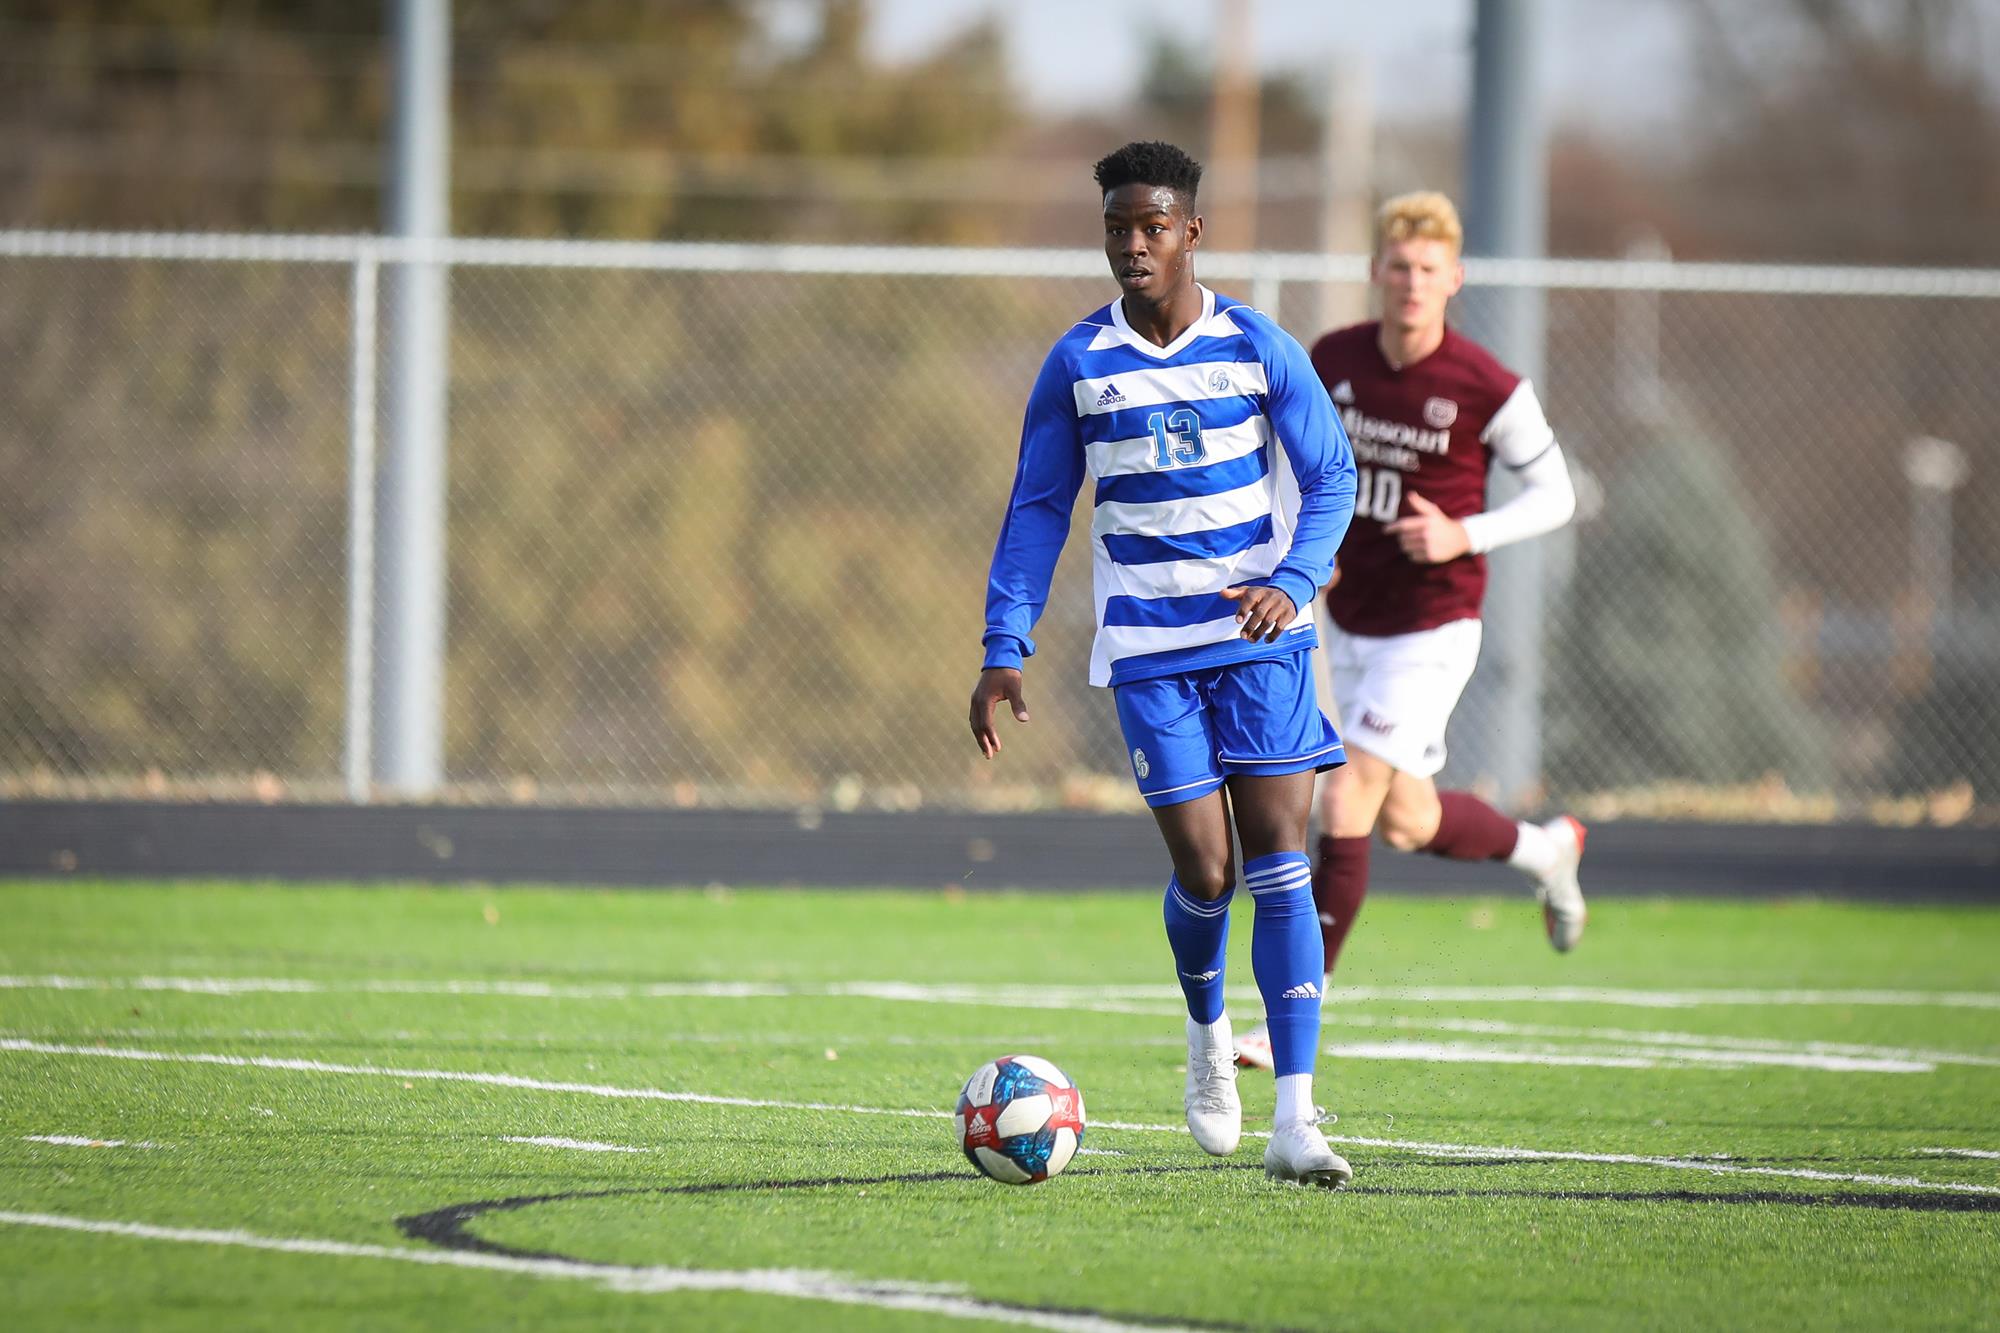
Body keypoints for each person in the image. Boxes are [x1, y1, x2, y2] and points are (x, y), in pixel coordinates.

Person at [969, 141, 1358, 1187]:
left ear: (1190, 231)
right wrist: (1004, 645)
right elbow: (1038, 509)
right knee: (1205, 870)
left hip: (1262, 646)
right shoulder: (1076, 362)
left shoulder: (1255, 345)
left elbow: (1330, 476)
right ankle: (1204, 1034)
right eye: (1115, 228)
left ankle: (1295, 1119)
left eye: (1151, 226)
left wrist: (1294, 578)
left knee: (1279, 861)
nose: (1132, 245)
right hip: (1147, 653)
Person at [1232, 190, 1585, 1073]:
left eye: (1430, 270)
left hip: (1435, 624)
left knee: (1346, 794)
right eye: (1399, 267)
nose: (1413, 283)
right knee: (1405, 818)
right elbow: (1294, 468)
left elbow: (1558, 496)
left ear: (1454, 279)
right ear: (1376, 274)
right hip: (1351, 618)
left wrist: (1465, 532)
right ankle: (1549, 849)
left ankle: (1290, 1019)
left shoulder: (1487, 385)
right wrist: (1304, 558)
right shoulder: (1335, 360)